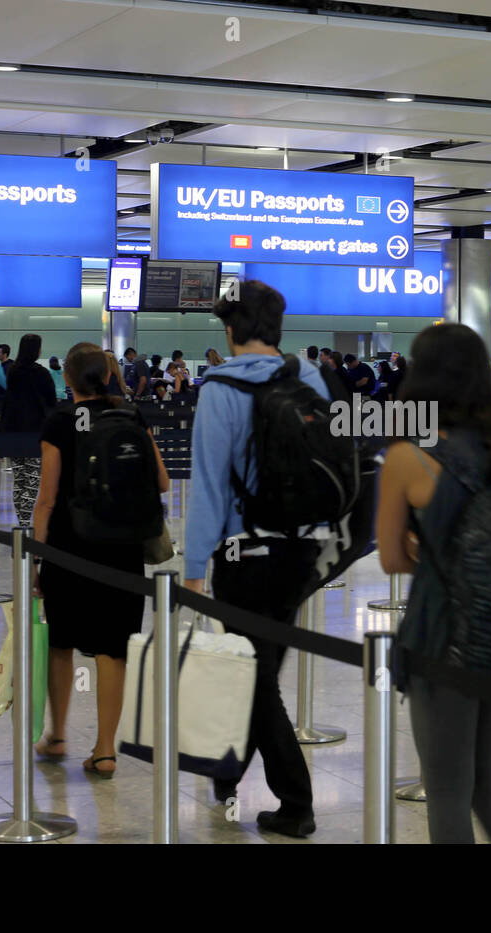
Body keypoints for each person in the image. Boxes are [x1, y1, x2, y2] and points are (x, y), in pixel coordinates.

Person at [377, 322, 491, 844]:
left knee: (446, 787)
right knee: (485, 775)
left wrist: (432, 552)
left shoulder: (407, 456)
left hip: (443, 634)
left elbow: (391, 557)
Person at [184, 280, 330, 838]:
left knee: (258, 676)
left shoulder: (219, 387)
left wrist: (194, 567)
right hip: (300, 552)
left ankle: (296, 801)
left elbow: (210, 488)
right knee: (258, 666)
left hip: (245, 556)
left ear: (230, 330)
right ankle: (227, 768)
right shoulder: (310, 379)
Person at [32, 342, 170, 779]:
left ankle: (57, 735)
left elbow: (46, 500)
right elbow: (163, 482)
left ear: (67, 378)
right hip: (124, 548)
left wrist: (38, 557)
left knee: (61, 642)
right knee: (113, 648)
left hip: (69, 548)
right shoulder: (130, 415)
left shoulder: (59, 420)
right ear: (107, 374)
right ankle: (106, 749)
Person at [2, 334, 56, 527]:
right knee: (33, 479)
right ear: (37, 350)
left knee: (19, 479)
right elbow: (51, 401)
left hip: (14, 431)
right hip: (35, 432)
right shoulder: (41, 373)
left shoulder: (12, 370)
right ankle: (25, 523)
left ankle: (22, 522)